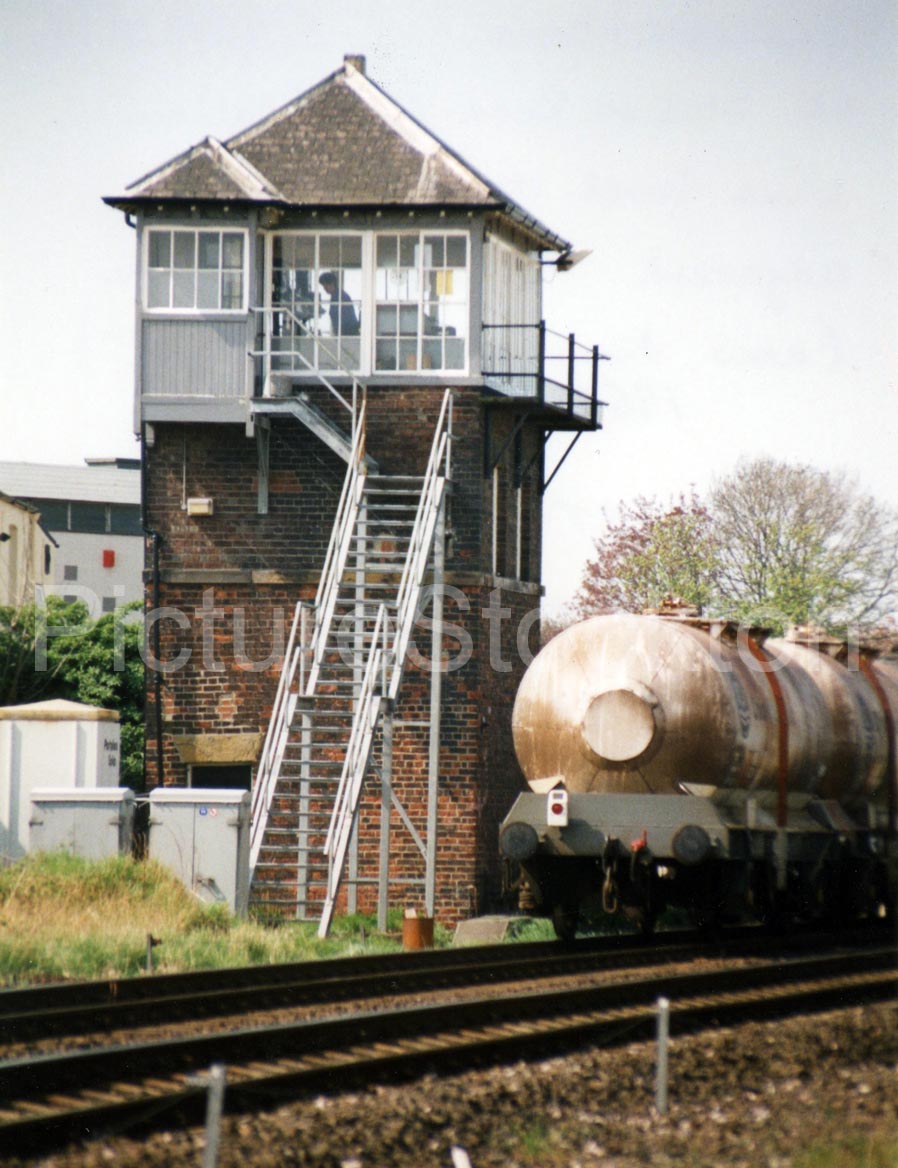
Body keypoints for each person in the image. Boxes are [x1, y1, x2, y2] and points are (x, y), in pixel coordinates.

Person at [318, 272, 359, 336]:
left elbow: (345, 319)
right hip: (345, 333)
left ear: (332, 283)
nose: (324, 288)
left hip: (347, 333)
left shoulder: (340, 297)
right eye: (323, 286)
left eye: (326, 285)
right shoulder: (336, 296)